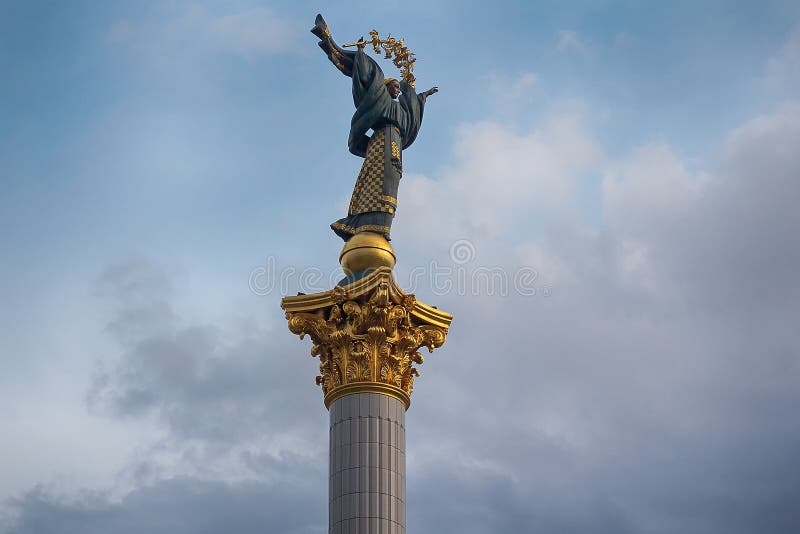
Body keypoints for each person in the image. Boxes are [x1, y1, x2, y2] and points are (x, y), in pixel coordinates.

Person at [311, 15, 438, 241]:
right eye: (394, 86)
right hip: (381, 141)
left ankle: (381, 224)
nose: (397, 90)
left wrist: (421, 97)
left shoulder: (400, 110)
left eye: (398, 88)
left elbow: (411, 111)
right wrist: (360, 54)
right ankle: (365, 221)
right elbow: (367, 76)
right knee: (378, 178)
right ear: (385, 87)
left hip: (394, 143)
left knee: (391, 180)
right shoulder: (380, 99)